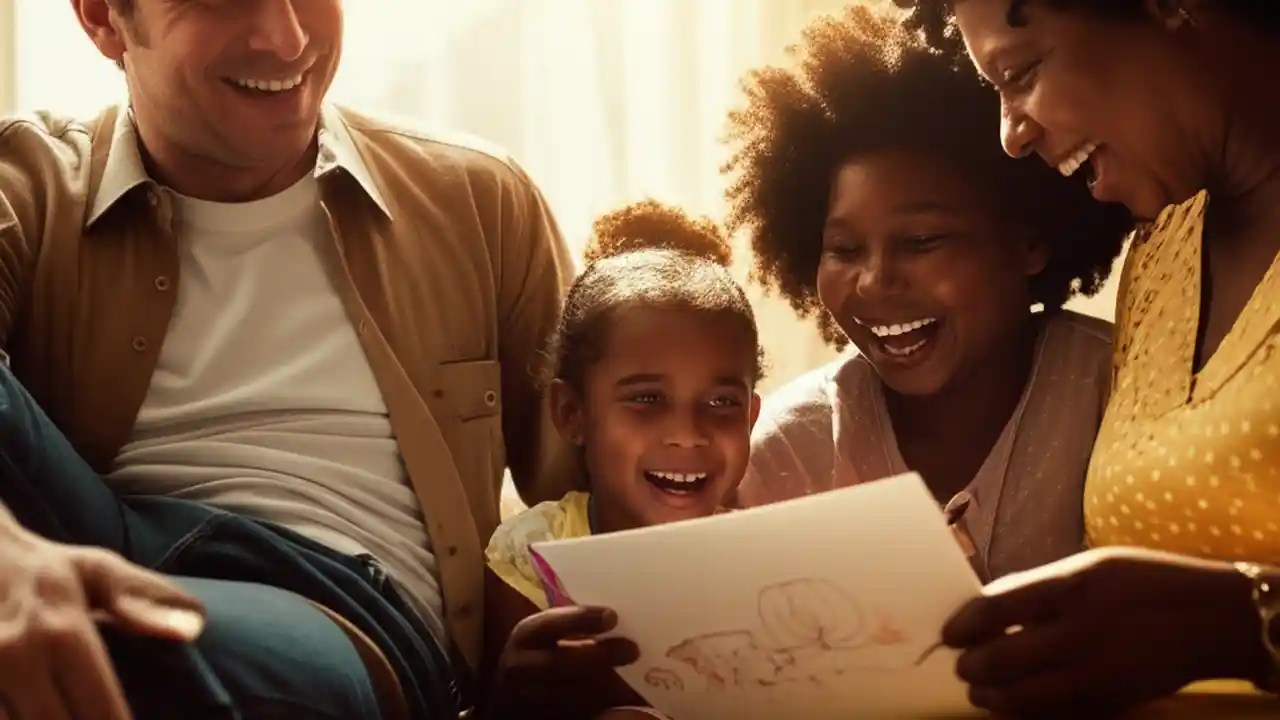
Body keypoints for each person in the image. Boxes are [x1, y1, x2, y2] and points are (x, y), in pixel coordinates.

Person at [0, 0, 575, 718]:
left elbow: (595, 496)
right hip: (85, 541)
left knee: (129, 655)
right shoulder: (31, 181)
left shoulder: (476, 200)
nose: (287, 37)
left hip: (332, 604)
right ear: (102, 18)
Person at [900, 0, 1280, 715]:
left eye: (1021, 73)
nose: (1011, 136)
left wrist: (1239, 625)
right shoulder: (1164, 250)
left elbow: (1194, 623)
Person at [721, 6, 1132, 582]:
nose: (873, 280)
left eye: (921, 241)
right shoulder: (791, 448)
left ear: (1029, 240)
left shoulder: (1120, 397)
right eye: (843, 248)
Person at [481, 201, 765, 719]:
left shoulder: (763, 561)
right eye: (647, 399)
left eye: (722, 403)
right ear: (572, 414)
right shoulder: (533, 554)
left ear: (751, 416)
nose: (687, 434)